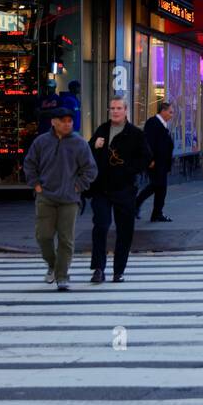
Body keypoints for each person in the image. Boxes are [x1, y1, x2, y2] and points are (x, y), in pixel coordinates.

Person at [22, 108, 97, 291]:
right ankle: (53, 264)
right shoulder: (41, 142)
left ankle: (62, 275)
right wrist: (36, 185)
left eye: (70, 121)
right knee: (43, 236)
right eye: (63, 120)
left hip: (69, 199)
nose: (67, 124)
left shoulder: (79, 143)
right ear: (53, 122)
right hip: (45, 196)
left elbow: (91, 169)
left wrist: (78, 186)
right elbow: (29, 163)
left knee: (66, 239)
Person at [88, 96, 150, 284]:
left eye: (118, 108)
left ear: (125, 110)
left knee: (124, 231)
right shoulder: (102, 130)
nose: (115, 111)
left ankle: (118, 270)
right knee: (101, 226)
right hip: (102, 188)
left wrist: (129, 170)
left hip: (124, 189)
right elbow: (87, 153)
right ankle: (98, 269)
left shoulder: (135, 134)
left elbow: (146, 157)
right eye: (112, 108)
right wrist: (94, 145)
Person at [136, 99, 175, 222]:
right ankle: (137, 204)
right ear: (162, 111)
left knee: (160, 188)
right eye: (170, 112)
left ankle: (157, 213)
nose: (171, 115)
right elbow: (148, 143)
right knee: (157, 185)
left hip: (162, 162)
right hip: (155, 163)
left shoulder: (162, 124)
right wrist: (150, 160)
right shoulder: (153, 123)